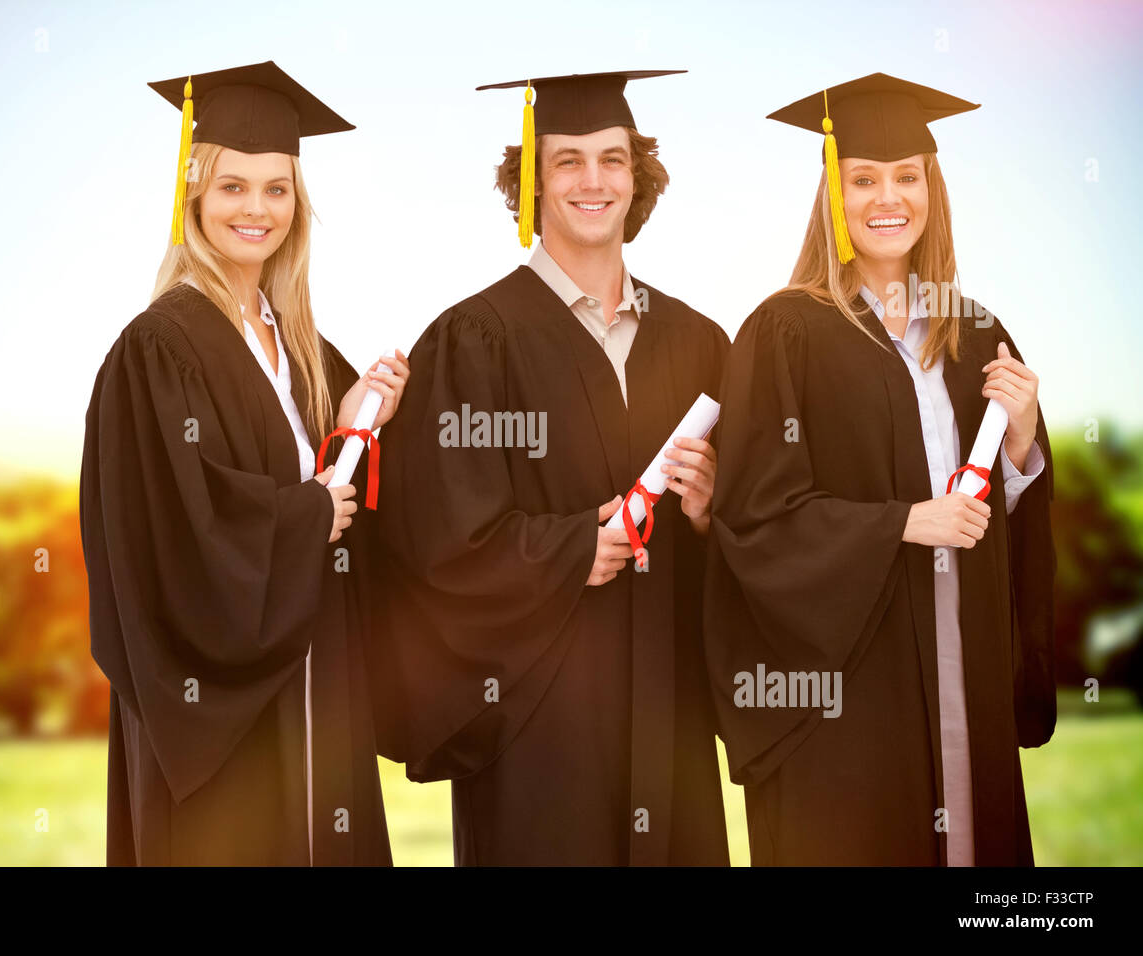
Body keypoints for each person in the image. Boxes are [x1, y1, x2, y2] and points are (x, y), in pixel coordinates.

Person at [371, 70, 731, 865]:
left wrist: (710, 514)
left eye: (612, 159)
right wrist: (573, 548)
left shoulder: (700, 342)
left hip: (668, 722)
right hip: (537, 731)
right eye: (567, 161)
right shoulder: (473, 340)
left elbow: (753, 545)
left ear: (639, 178)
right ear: (530, 183)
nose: (593, 181)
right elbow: (436, 542)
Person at [704, 73, 1056, 865]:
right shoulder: (784, 331)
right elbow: (754, 518)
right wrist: (901, 521)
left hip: (966, 660)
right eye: (862, 179)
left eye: (907, 177)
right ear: (833, 194)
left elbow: (1015, 506)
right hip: (852, 693)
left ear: (932, 189)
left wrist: (1024, 442)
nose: (886, 197)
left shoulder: (974, 329)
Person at [79, 60, 408, 865]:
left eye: (276, 189)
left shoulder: (303, 348)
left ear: (298, 207)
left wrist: (358, 418)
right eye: (232, 187)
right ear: (193, 197)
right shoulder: (159, 348)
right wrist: (308, 516)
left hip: (316, 679)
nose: (255, 209)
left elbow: (339, 490)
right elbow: (176, 533)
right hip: (220, 711)